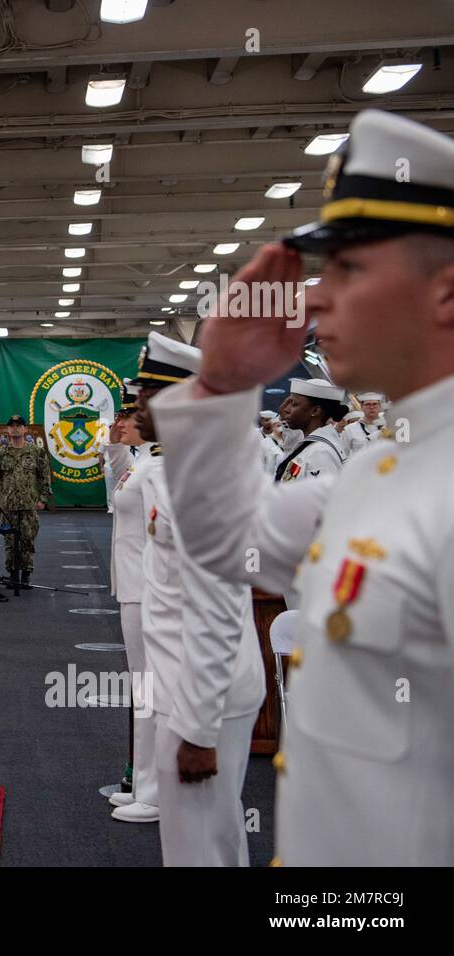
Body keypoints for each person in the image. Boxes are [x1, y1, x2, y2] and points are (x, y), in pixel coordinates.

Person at [148, 109, 454, 865]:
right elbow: (226, 544)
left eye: (348, 269)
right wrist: (218, 383)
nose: (314, 301)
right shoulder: (384, 474)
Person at [133, 333, 266, 865]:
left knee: (195, 849)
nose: (136, 402)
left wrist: (196, 728)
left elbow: (218, 609)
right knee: (218, 835)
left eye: (147, 392)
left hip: (198, 697)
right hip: (191, 686)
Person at [104, 384, 159, 824]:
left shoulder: (159, 468)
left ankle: (156, 792)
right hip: (133, 586)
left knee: (152, 689)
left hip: (150, 588)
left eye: (128, 416)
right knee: (142, 689)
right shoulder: (142, 463)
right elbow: (114, 499)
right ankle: (143, 781)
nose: (120, 422)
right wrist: (114, 446)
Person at [0, 415, 51, 585]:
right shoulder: (0, 453)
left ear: (25, 429)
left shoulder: (36, 451)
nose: (15, 428)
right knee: (10, 541)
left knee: (27, 540)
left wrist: (43, 498)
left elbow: (44, 477)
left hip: (29, 505)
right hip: (7, 505)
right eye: (12, 426)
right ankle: (12, 573)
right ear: (7, 430)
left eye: (19, 425)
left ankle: (26, 574)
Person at [274, 379, 349, 482]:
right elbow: (289, 450)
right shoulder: (312, 445)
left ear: (315, 411)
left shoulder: (320, 453)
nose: (286, 410)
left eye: (294, 404)